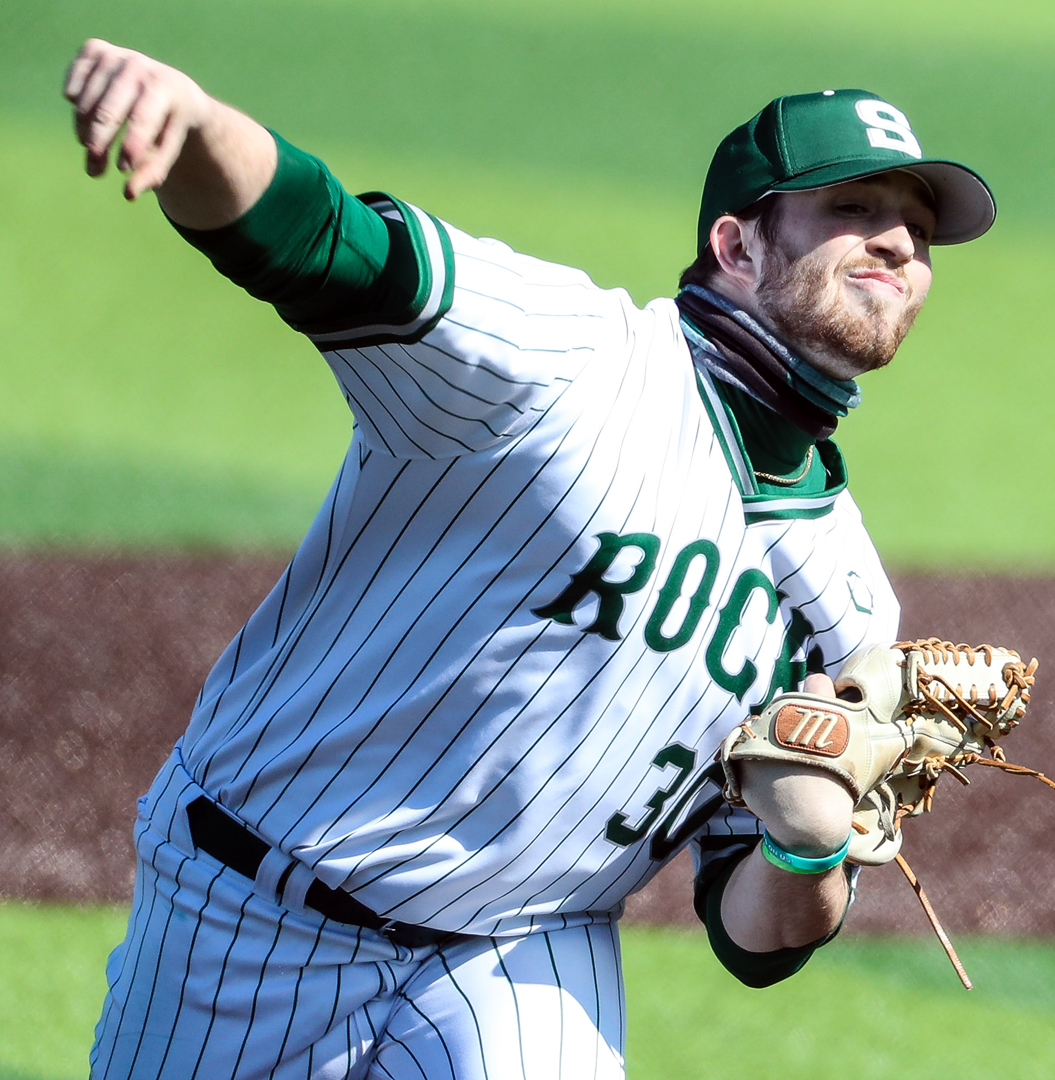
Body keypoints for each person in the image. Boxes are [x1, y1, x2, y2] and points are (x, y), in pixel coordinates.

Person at [63, 36, 996, 1080]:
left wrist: (809, 846)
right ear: (737, 246)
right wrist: (194, 122)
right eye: (851, 210)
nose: (898, 246)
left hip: (522, 959)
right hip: (244, 908)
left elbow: (755, 939)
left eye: (916, 231)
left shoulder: (851, 604)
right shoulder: (567, 359)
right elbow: (328, 246)